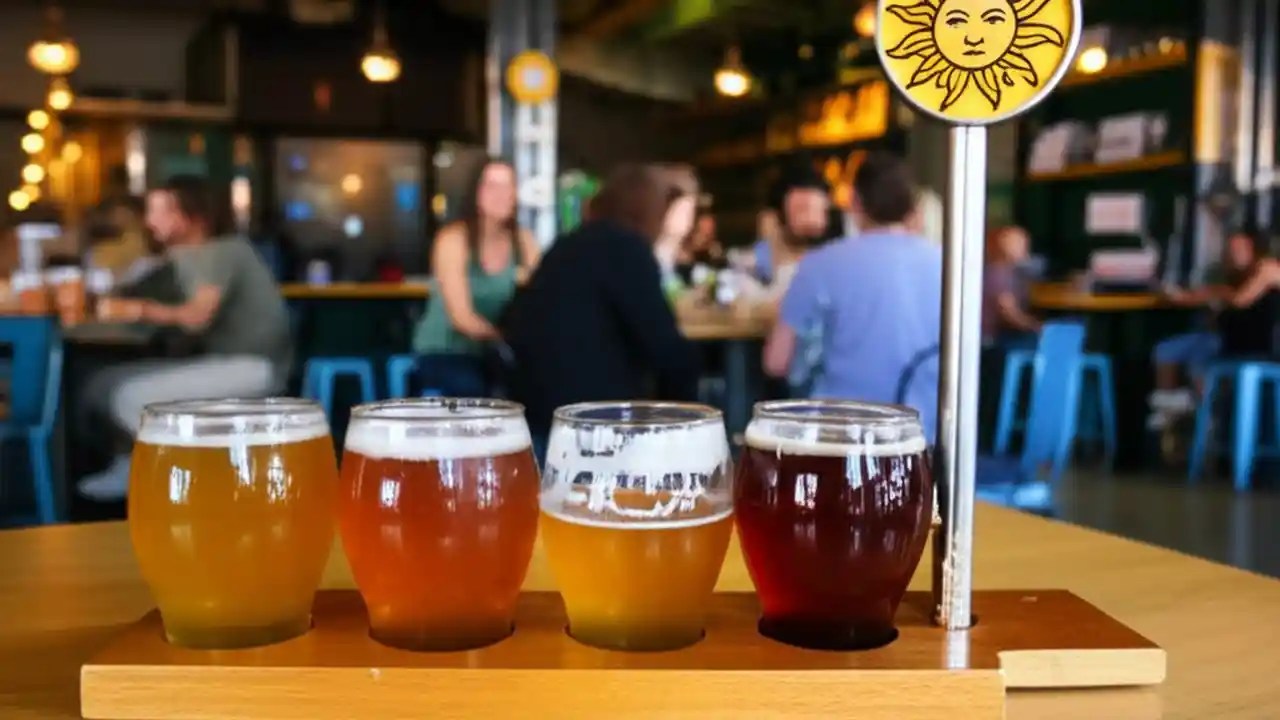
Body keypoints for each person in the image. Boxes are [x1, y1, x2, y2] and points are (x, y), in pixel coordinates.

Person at [78, 175, 294, 501]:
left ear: (191, 216)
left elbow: (196, 318)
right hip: (220, 361)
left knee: (127, 397)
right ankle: (130, 467)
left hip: (256, 366)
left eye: (159, 211)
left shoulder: (222, 251)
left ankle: (192, 486)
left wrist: (137, 309)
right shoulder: (184, 257)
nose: (149, 221)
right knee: (103, 382)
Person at [505, 164, 701, 449]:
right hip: (596, 425)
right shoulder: (626, 249)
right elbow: (665, 347)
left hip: (540, 413)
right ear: (650, 211)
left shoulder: (568, 244)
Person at [764, 153, 942, 440]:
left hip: (839, 439)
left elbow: (776, 362)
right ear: (912, 207)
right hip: (923, 436)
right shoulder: (947, 265)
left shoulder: (819, 264)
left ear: (854, 203)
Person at [412, 158, 539, 397]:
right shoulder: (453, 239)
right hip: (446, 352)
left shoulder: (523, 240)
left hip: (494, 352)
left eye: (508, 186)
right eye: (492, 186)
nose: (502, 194)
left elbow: (546, 294)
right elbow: (462, 318)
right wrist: (507, 338)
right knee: (476, 392)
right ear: (476, 193)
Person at [1149, 231, 1280, 427]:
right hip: (1224, 342)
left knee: (1200, 361)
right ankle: (1170, 405)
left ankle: (1204, 414)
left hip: (1256, 351)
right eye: (1231, 249)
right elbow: (1221, 312)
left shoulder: (1267, 269)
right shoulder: (1227, 274)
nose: (1235, 254)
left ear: (1255, 250)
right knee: (1166, 350)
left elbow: (1239, 300)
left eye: (1241, 249)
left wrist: (1211, 295)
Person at [982, 225, 1041, 347]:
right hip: (992, 339)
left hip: (1001, 334)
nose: (1024, 248)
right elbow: (1009, 314)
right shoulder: (998, 274)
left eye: (1025, 243)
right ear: (1004, 246)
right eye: (1018, 244)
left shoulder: (1011, 272)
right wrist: (1037, 326)